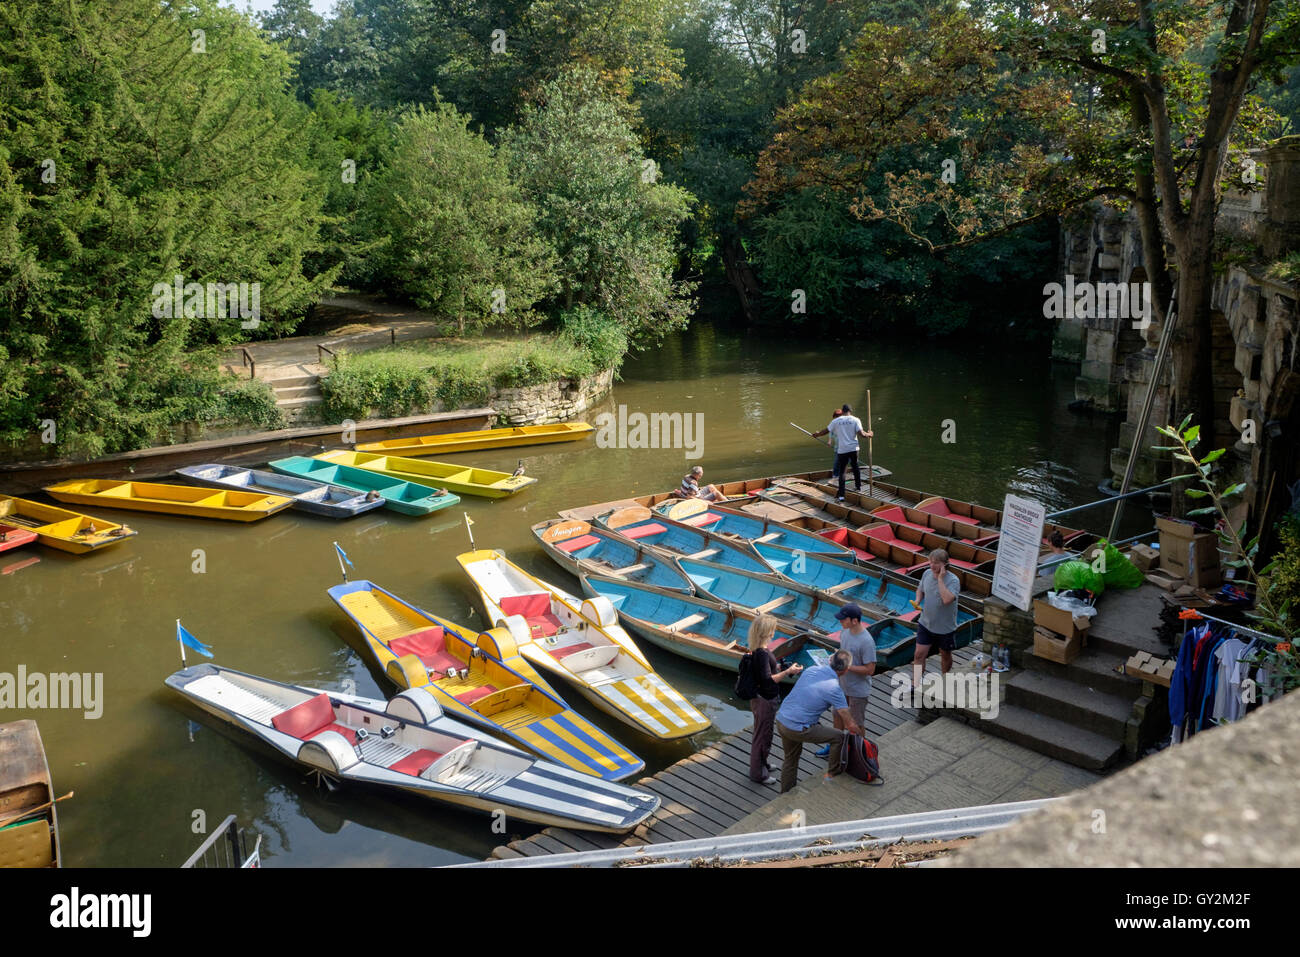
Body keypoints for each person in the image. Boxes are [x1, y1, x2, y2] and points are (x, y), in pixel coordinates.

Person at [775, 649, 864, 793]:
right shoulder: (835, 689)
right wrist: (861, 737)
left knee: (790, 758)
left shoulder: (811, 670)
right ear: (846, 671)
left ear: (830, 661)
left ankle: (786, 792)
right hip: (799, 727)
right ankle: (833, 774)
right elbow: (850, 725)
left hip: (782, 719)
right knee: (838, 737)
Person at [743, 615, 802, 785]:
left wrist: (783, 669)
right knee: (762, 736)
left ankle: (763, 764)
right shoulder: (761, 654)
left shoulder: (760, 650)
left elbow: (767, 671)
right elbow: (767, 680)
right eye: (773, 629)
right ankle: (758, 774)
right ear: (766, 632)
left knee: (764, 734)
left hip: (762, 698)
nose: (774, 632)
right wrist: (786, 672)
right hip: (764, 699)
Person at [912, 548, 961, 688]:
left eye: (936, 563)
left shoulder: (953, 580)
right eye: (930, 562)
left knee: (945, 655)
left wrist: (940, 579)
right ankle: (915, 684)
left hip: (945, 628)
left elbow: (947, 599)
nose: (932, 566)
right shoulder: (926, 573)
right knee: (918, 655)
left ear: (945, 564)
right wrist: (917, 600)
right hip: (925, 623)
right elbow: (920, 589)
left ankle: (945, 681)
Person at [811, 404, 873, 501]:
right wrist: (870, 434)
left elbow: (825, 431)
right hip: (854, 448)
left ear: (843, 411)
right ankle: (858, 487)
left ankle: (841, 495)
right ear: (850, 411)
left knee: (842, 472)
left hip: (842, 450)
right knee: (855, 467)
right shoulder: (856, 420)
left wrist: (817, 435)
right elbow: (862, 434)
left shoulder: (836, 421)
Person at [834, 604, 877, 731]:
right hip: (842, 685)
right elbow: (844, 653)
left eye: (844, 619)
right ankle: (836, 746)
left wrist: (847, 666)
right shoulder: (844, 632)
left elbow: (870, 670)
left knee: (856, 723)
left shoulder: (866, 642)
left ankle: (859, 750)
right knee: (837, 715)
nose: (840, 621)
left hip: (857, 690)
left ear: (855, 620)